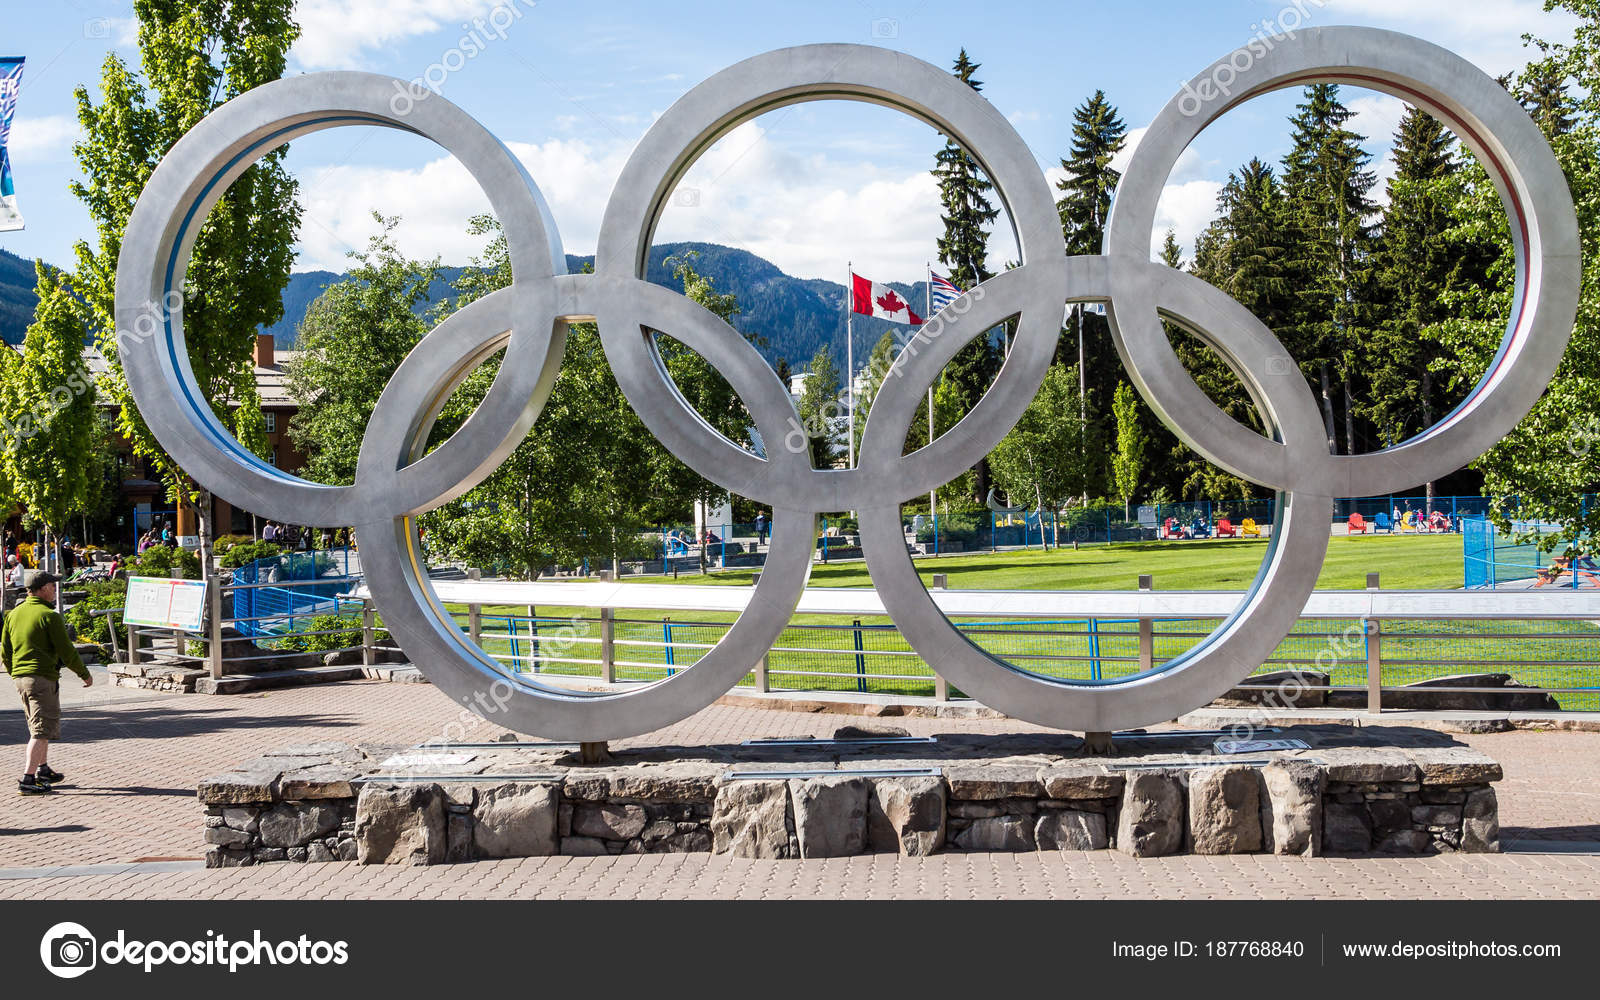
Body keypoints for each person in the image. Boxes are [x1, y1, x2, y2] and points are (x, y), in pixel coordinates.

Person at [3, 570, 92, 795]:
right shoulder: (49, 616)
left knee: (39, 726)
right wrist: (84, 674)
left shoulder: (13, 614)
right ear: (42, 589)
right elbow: (66, 650)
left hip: (22, 679)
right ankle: (28, 778)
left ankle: (43, 770)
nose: (55, 589)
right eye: (52, 585)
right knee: (41, 732)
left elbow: (5, 649)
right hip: (42, 678)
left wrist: (15, 673)